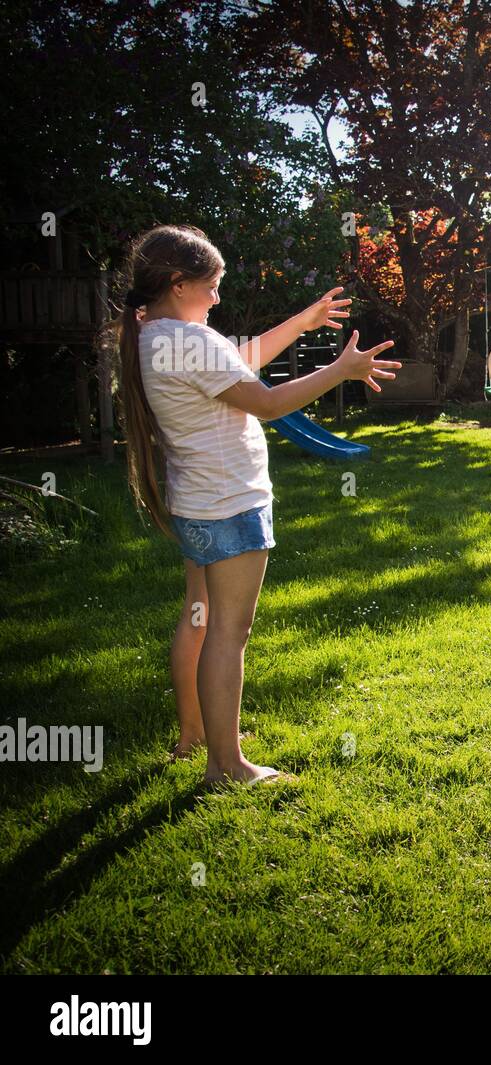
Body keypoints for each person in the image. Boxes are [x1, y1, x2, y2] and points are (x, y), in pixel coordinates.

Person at [111, 224, 401, 785]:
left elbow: (235, 365)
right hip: (229, 503)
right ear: (177, 283)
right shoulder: (189, 340)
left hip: (195, 502)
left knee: (198, 617)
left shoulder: (155, 335)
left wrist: (301, 322)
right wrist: (341, 370)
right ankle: (226, 764)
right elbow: (265, 402)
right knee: (228, 631)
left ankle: (196, 735)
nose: (218, 297)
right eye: (212, 285)